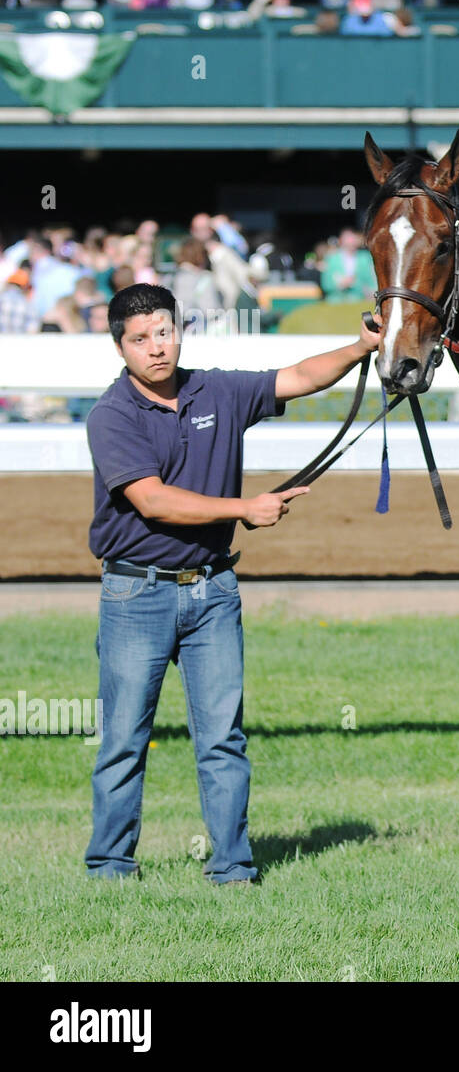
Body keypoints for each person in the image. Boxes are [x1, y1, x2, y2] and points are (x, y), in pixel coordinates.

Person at [84, 283, 383, 883]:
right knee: (122, 741)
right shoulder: (111, 416)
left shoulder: (215, 388)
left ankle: (233, 870)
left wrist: (360, 348)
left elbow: (297, 376)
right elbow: (153, 501)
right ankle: (110, 867)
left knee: (223, 739)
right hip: (135, 593)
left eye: (163, 332)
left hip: (213, 591)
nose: (156, 348)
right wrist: (244, 507)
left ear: (179, 330)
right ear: (120, 347)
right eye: (140, 339)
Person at [321, 228, 378, 301]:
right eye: (347, 239)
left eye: (352, 238)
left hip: (360, 300)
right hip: (336, 302)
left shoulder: (365, 257)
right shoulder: (331, 258)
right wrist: (341, 284)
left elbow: (373, 281)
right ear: (341, 240)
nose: (351, 241)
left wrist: (356, 284)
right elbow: (326, 284)